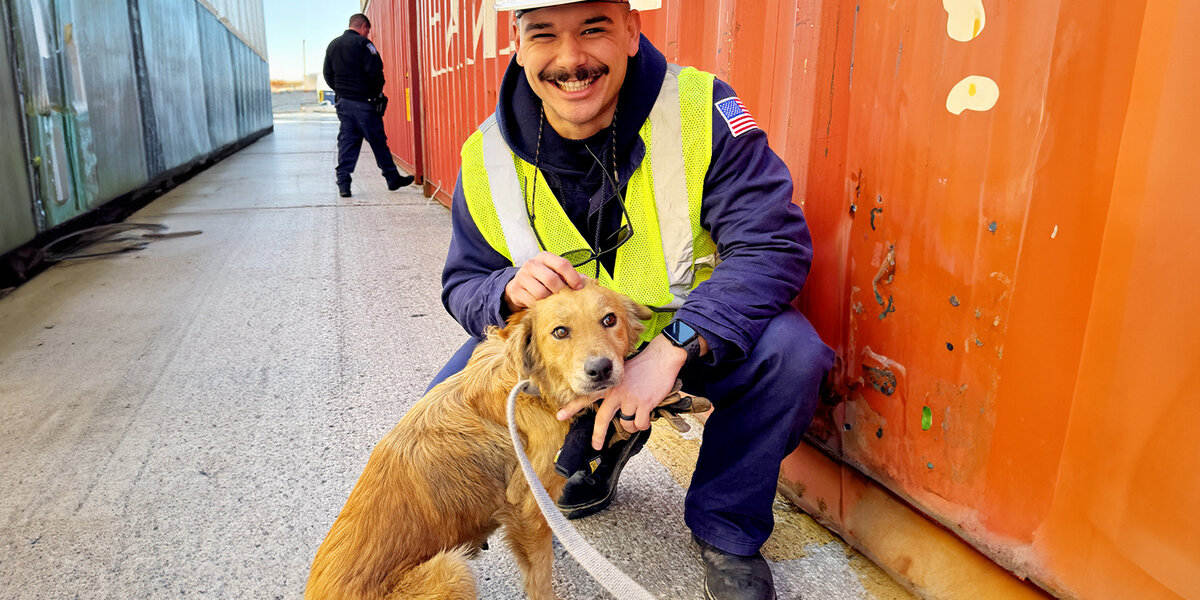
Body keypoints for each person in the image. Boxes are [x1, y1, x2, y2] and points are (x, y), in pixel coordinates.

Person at [431, 2, 834, 599]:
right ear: (518, 46)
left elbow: (771, 243)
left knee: (792, 355)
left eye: (593, 28)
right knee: (443, 412)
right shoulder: (485, 157)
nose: (570, 60)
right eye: (544, 35)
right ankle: (593, 453)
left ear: (630, 30)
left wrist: (669, 350)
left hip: (692, 339)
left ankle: (727, 528)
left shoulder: (699, 110)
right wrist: (504, 287)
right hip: (573, 355)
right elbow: (464, 281)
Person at [322, 13, 413, 197]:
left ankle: (344, 184)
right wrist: (375, 93)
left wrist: (341, 91)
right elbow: (376, 72)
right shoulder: (364, 45)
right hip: (363, 103)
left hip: (343, 103)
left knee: (347, 141)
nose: (367, 34)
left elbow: (327, 74)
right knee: (378, 140)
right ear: (363, 27)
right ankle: (392, 178)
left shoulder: (333, 45)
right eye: (367, 31)